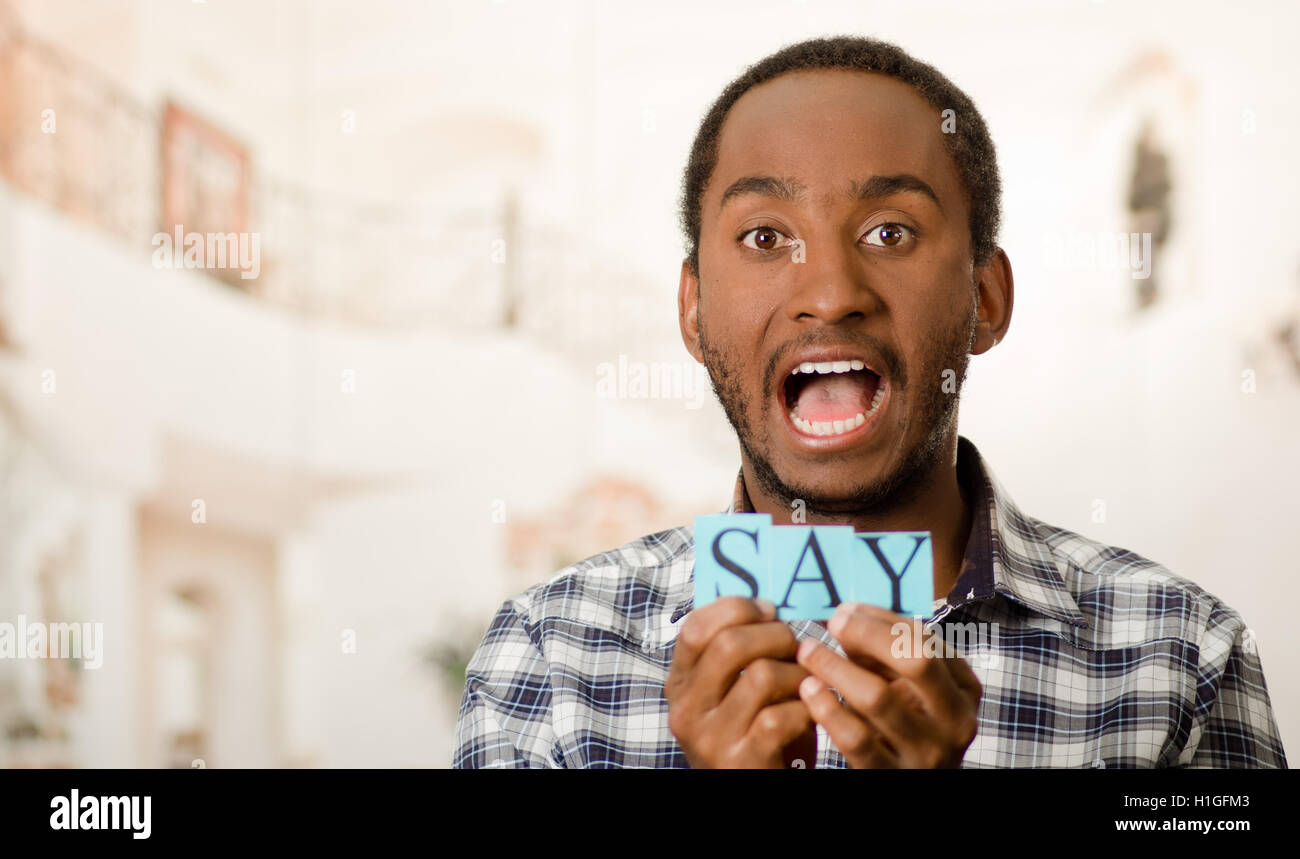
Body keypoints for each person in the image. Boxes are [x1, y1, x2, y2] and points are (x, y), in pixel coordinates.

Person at [453, 35, 1288, 769]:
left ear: (986, 299)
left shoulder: (1182, 659)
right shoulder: (551, 658)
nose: (829, 291)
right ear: (693, 311)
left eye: (889, 232)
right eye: (764, 237)